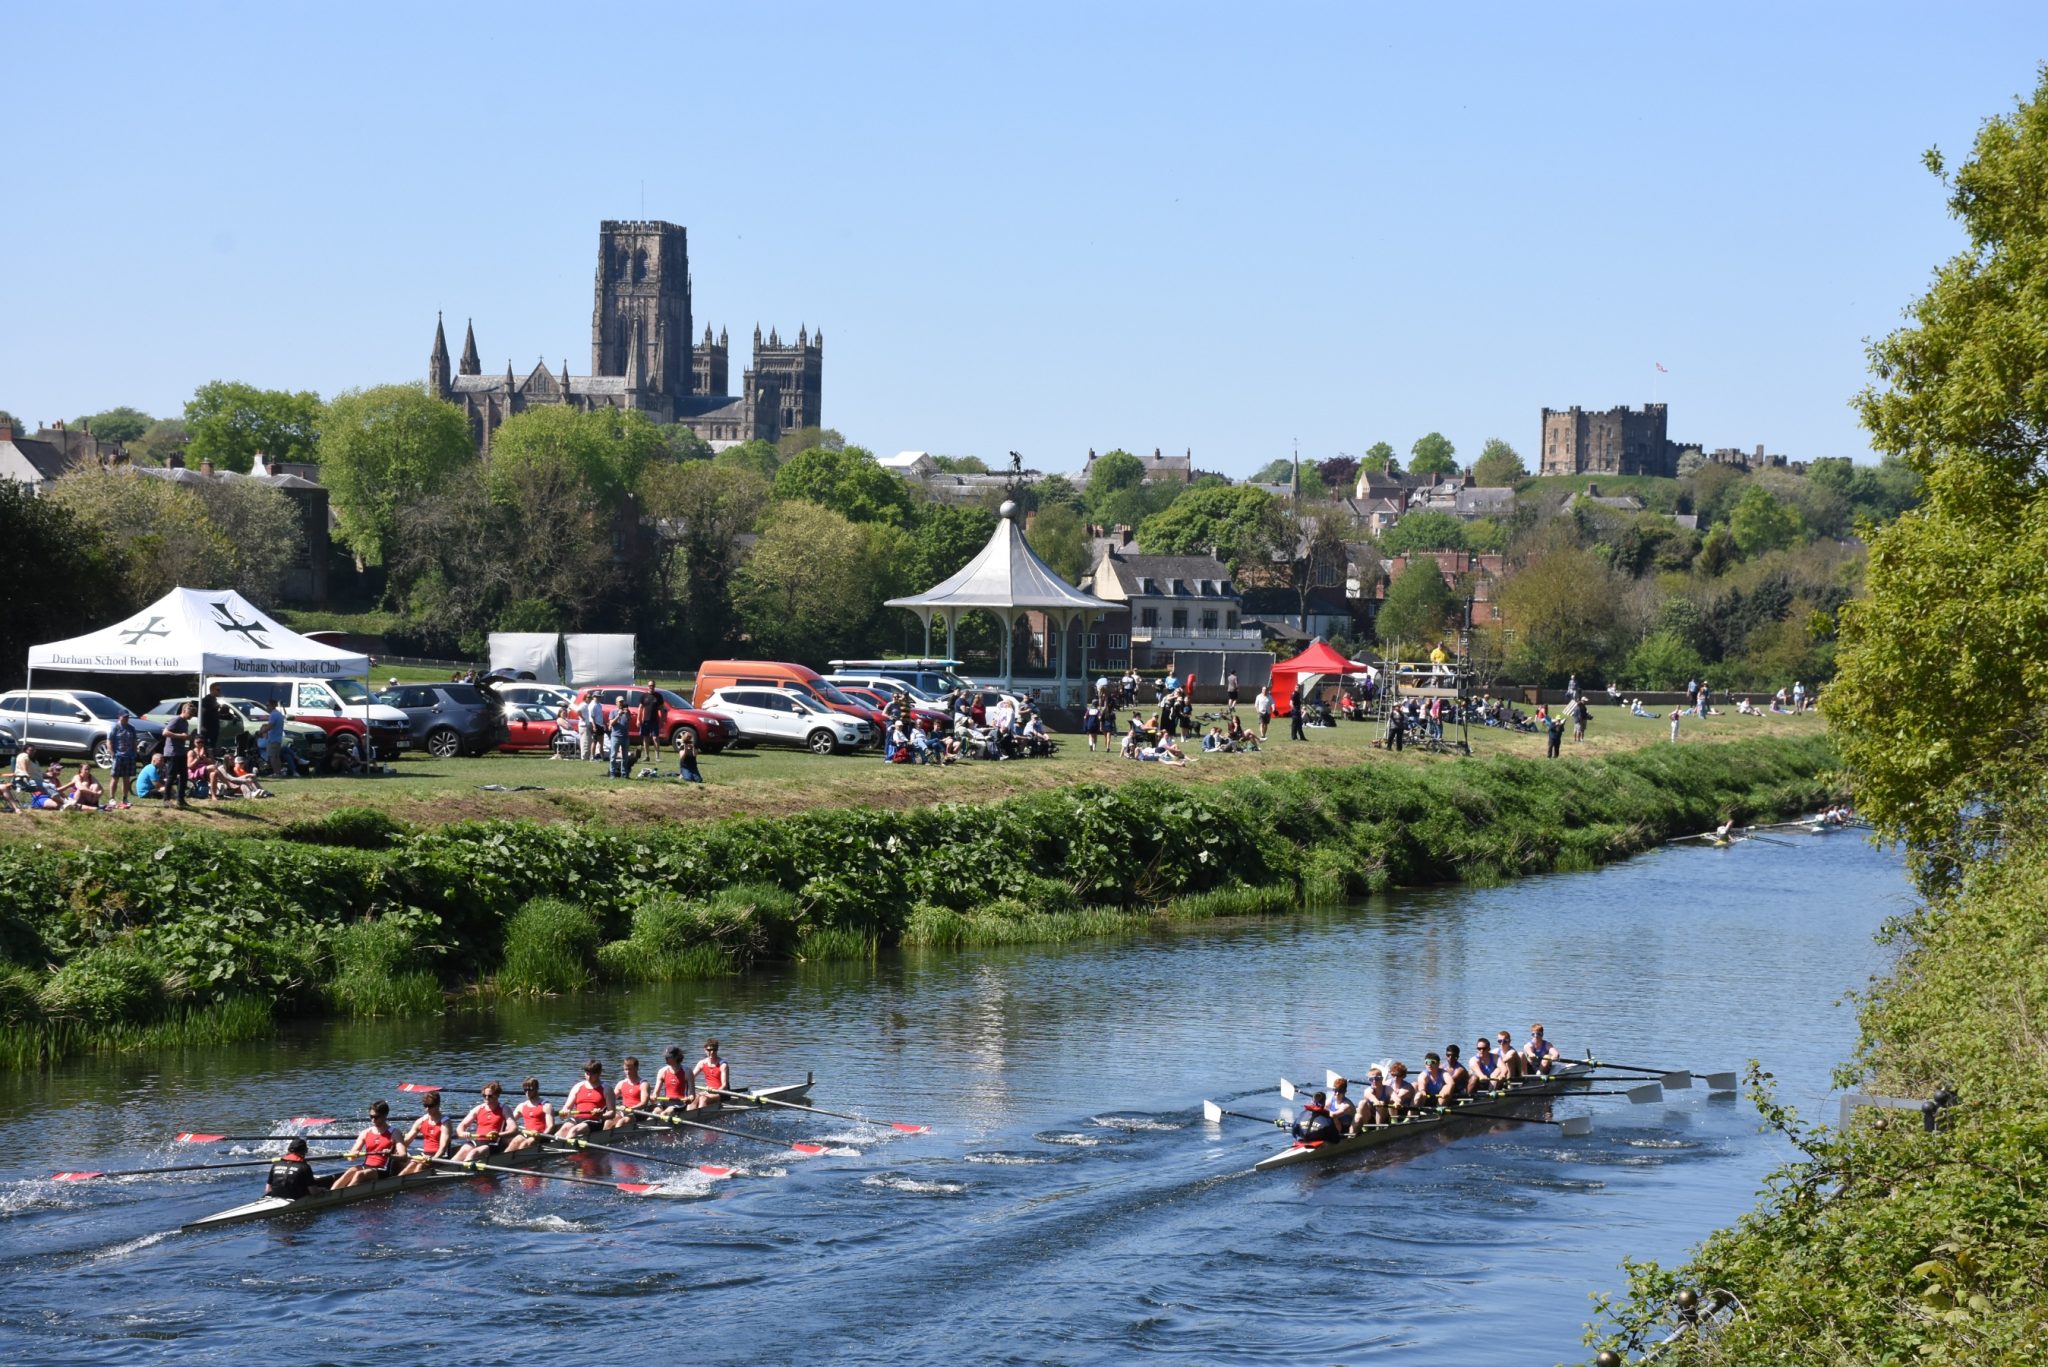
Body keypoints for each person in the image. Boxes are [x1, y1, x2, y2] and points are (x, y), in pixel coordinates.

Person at [330, 1100, 406, 1189]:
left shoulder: (395, 1133)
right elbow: (351, 1157)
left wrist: (390, 1155)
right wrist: (354, 1155)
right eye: (371, 1116)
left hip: (383, 1170)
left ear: (385, 1116)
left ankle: (342, 1195)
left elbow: (404, 1157)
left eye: (376, 1117)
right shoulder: (365, 1133)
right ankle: (332, 1193)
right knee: (350, 1171)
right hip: (366, 1166)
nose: (373, 1120)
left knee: (360, 1174)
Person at [454, 1082, 515, 1162]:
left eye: (490, 1096)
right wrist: (461, 1132)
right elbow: (462, 1125)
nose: (486, 1098)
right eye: (484, 1096)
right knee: (463, 1151)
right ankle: (446, 1169)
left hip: (493, 1144)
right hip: (478, 1141)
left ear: (497, 1095)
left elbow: (514, 1129)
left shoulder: (504, 1109)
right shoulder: (478, 1109)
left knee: (473, 1153)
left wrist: (499, 1134)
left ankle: (463, 1171)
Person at [397, 1091, 451, 1176]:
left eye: (430, 1106)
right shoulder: (421, 1121)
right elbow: (406, 1141)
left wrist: (433, 1159)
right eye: (425, 1106)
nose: (427, 1109)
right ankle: (398, 1182)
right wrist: (395, 1150)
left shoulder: (445, 1123)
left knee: (419, 1167)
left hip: (440, 1158)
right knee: (409, 1166)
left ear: (438, 1105)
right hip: (425, 1156)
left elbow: (442, 1149)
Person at [555, 1060, 612, 1140]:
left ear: (599, 1073)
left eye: (592, 1074)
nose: (588, 1077)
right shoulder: (577, 1087)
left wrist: (601, 1115)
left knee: (574, 1131)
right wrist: (564, 1112)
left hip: (595, 1121)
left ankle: (565, 1150)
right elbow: (567, 1107)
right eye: (587, 1074)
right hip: (577, 1118)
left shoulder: (606, 1089)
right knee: (561, 1131)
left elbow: (612, 1113)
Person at [264, 1137, 332, 1200]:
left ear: (289, 1150)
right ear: (305, 1151)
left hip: (274, 1197)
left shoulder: (276, 1164)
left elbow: (268, 1190)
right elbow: (314, 1192)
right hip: (295, 1200)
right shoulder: (304, 1167)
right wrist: (322, 1189)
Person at [508, 1077, 553, 1152]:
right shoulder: (521, 1106)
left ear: (537, 1089)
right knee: (515, 1141)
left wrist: (540, 1136)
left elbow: (550, 1126)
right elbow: (510, 1122)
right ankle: (504, 1159)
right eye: (525, 1090)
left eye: (530, 1089)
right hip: (527, 1134)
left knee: (525, 1144)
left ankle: (518, 1161)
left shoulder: (546, 1106)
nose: (527, 1092)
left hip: (541, 1136)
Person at [163, 702, 193, 807]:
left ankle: (181, 799)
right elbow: (165, 733)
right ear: (184, 711)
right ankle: (166, 799)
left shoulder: (185, 723)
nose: (191, 716)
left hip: (181, 752)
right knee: (171, 776)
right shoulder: (176, 720)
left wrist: (188, 737)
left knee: (184, 776)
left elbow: (183, 736)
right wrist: (180, 736)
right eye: (190, 713)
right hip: (172, 752)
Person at [653, 1046, 695, 1115]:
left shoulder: (687, 1071)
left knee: (664, 1113)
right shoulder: (662, 1071)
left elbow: (692, 1095)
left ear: (676, 1057)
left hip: (680, 1103)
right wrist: (654, 1097)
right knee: (655, 1112)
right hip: (665, 1101)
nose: (666, 1059)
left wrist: (689, 1098)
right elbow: (656, 1093)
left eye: (669, 1057)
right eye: (665, 1056)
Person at [109, 711, 138, 807]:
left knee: (126, 779)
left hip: (129, 757)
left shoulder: (131, 728)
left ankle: (125, 798)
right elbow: (109, 742)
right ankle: (112, 798)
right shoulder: (115, 728)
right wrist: (113, 753)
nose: (126, 719)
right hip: (118, 756)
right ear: (119, 717)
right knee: (115, 778)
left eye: (127, 717)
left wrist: (134, 753)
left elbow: (134, 741)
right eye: (124, 717)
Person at [613, 1056, 651, 1130]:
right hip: (624, 1111)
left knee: (621, 1122)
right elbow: (611, 1099)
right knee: (608, 1122)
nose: (627, 1072)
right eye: (625, 1069)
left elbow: (644, 1103)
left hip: (638, 1112)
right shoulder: (621, 1084)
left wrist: (629, 1108)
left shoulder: (643, 1084)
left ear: (636, 1068)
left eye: (630, 1069)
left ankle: (616, 1139)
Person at [691, 1039, 729, 1108]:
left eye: (714, 1050)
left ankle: (701, 1117)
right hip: (709, 1091)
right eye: (709, 1050)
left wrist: (715, 1091)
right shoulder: (702, 1063)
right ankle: (689, 1114)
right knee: (694, 1098)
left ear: (717, 1050)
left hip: (722, 1093)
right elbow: (691, 1078)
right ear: (705, 1050)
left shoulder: (723, 1065)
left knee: (703, 1099)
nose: (711, 1052)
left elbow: (724, 1085)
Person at [639, 683, 664, 763]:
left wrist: (662, 720)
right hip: (645, 721)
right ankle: (647, 756)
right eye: (650, 685)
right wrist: (638, 720)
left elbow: (662, 709)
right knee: (646, 738)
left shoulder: (658, 696)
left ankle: (657, 756)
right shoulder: (644, 696)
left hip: (655, 721)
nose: (651, 687)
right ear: (648, 686)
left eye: (652, 685)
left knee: (655, 738)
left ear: (654, 686)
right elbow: (640, 708)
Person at [199, 683, 224, 758]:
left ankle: (211, 758)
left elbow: (213, 712)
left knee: (213, 745)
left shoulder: (214, 699)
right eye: (217, 689)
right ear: (212, 690)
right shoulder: (206, 700)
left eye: (220, 690)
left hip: (214, 726)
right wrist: (202, 725)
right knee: (208, 745)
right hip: (207, 727)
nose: (219, 691)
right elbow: (202, 713)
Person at [263, 700, 288, 778]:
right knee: (276, 756)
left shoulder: (273, 715)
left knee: (272, 757)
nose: (267, 707)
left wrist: (262, 731)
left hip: (273, 739)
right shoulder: (279, 714)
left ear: (273, 705)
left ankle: (276, 773)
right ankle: (279, 772)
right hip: (278, 738)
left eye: (268, 705)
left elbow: (270, 725)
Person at [607, 705, 632, 778]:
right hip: (615, 736)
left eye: (622, 702)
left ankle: (624, 773)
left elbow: (629, 720)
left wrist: (627, 714)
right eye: (619, 702)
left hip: (625, 736)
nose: (621, 703)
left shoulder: (627, 711)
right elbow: (611, 723)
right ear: (616, 703)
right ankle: (612, 773)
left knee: (625, 756)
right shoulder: (613, 712)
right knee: (613, 755)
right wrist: (618, 715)